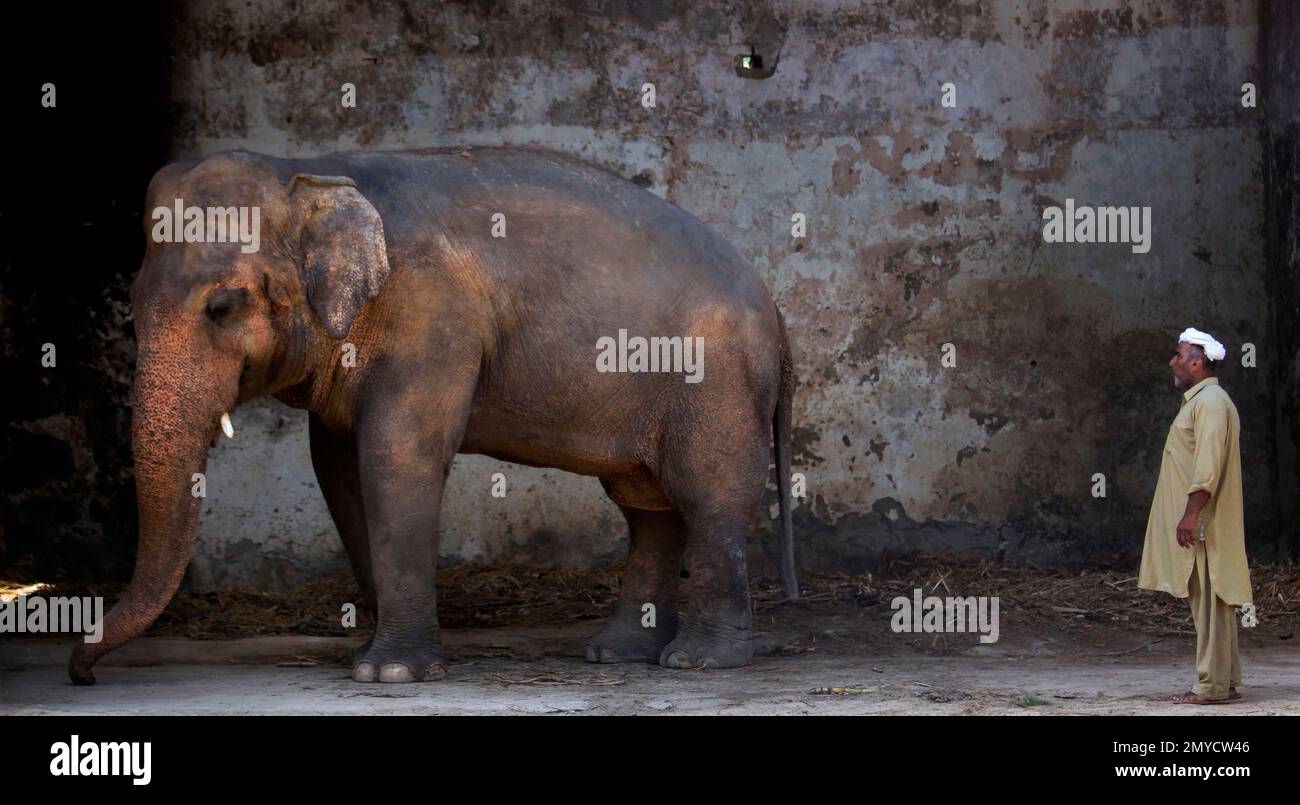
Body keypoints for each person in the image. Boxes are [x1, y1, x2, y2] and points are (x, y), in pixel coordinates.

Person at [1138, 328, 1252, 704]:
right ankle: (1226, 681)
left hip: (1205, 524)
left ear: (1196, 362)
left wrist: (1191, 515)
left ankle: (1211, 686)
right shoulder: (1202, 401)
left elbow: (1207, 467)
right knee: (1212, 604)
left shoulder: (1211, 403)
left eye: (1178, 354)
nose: (1172, 361)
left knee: (1210, 604)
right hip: (1203, 521)